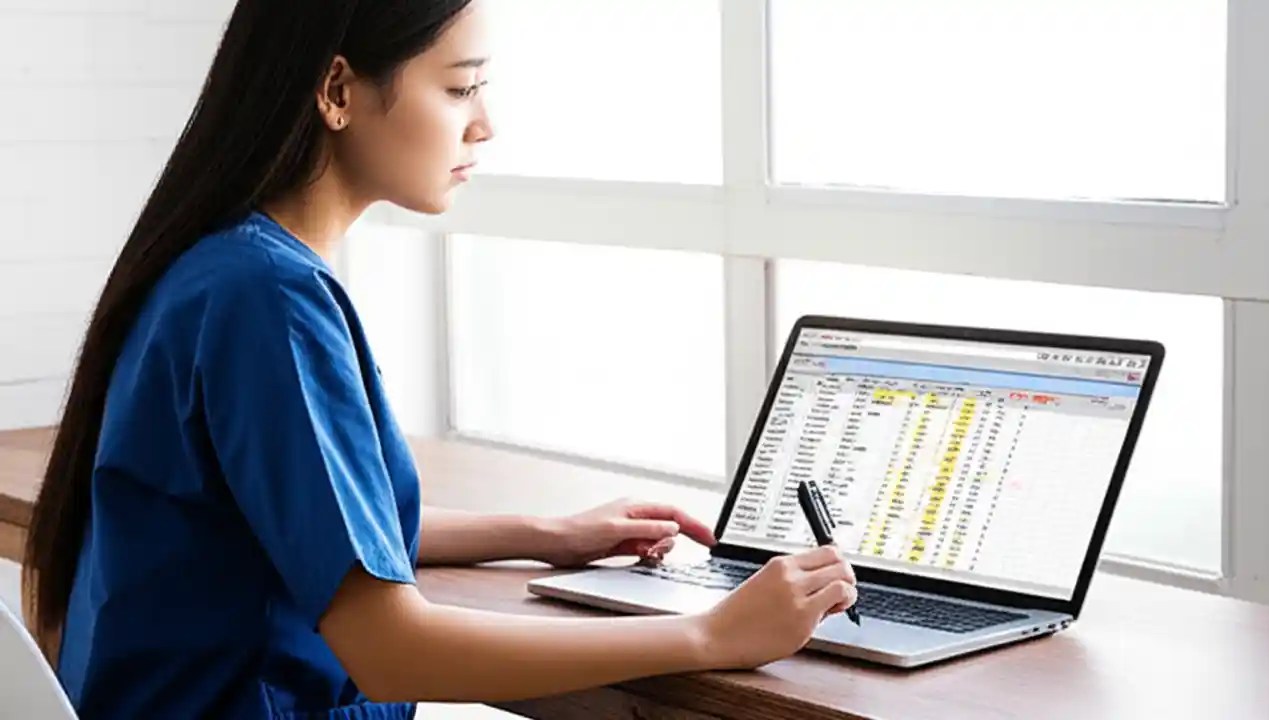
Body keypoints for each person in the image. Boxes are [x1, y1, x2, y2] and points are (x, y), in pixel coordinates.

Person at [22, 1, 858, 717]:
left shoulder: (221, 265)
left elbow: (303, 525)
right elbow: (389, 647)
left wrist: (544, 534)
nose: (484, 122)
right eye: (460, 87)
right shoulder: (268, 299)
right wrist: (711, 634)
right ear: (339, 90)